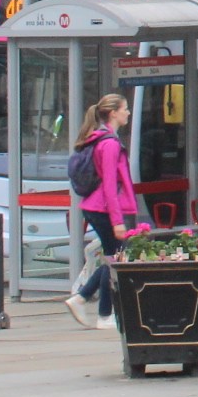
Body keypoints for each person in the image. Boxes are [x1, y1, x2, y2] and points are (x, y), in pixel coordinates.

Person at [66, 93, 142, 329]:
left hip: (99, 207)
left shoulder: (104, 139)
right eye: (125, 109)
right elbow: (110, 183)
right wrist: (117, 220)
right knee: (116, 260)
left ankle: (85, 301)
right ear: (113, 113)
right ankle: (101, 313)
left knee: (113, 259)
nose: (128, 113)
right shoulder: (109, 144)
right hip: (105, 209)